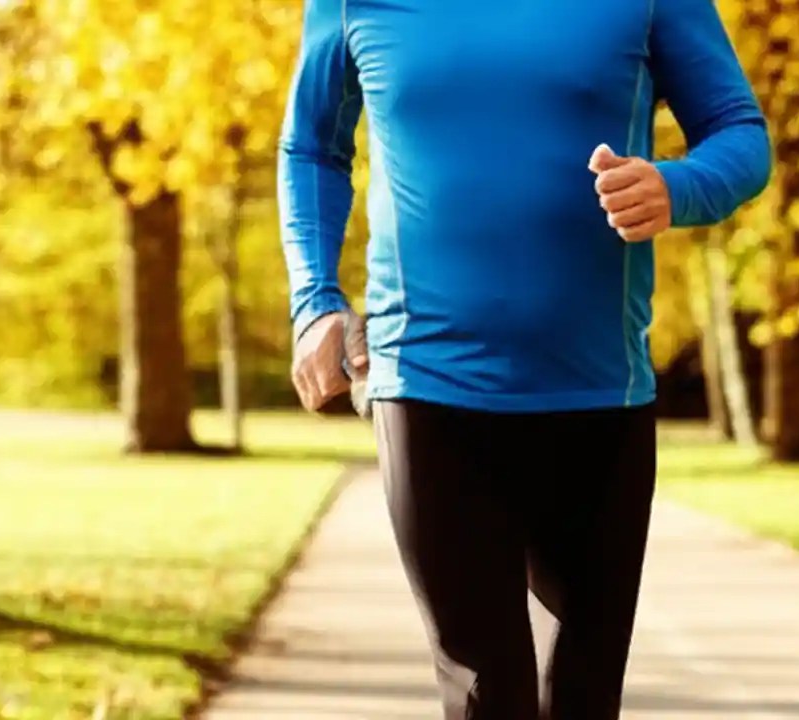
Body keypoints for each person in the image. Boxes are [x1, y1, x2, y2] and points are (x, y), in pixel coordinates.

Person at [277, 0, 771, 716]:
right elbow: (312, 149)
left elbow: (740, 134)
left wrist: (675, 187)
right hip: (427, 382)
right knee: (486, 690)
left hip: (599, 392)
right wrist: (315, 300)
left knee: (582, 694)